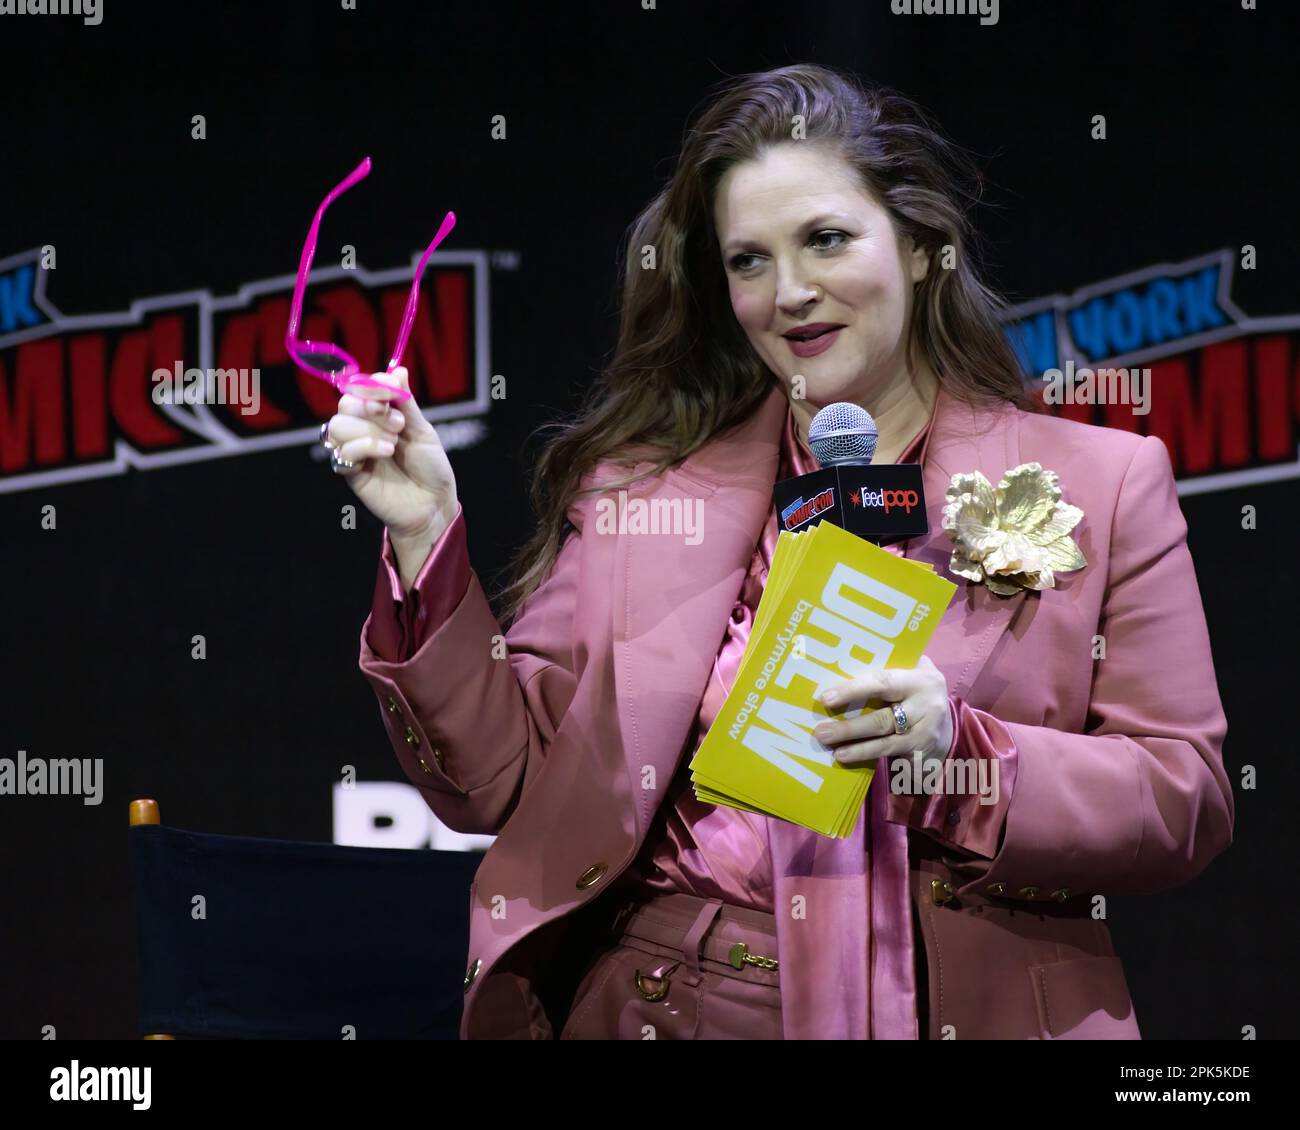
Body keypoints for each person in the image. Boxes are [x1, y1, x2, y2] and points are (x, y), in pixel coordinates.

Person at [324, 63, 1232, 1039]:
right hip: (670, 1004)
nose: (789, 292)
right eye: (748, 260)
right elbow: (502, 779)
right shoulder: (645, 489)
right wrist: (424, 534)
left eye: (826, 240)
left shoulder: (1101, 480)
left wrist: (965, 756)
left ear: (923, 246)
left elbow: (1182, 798)